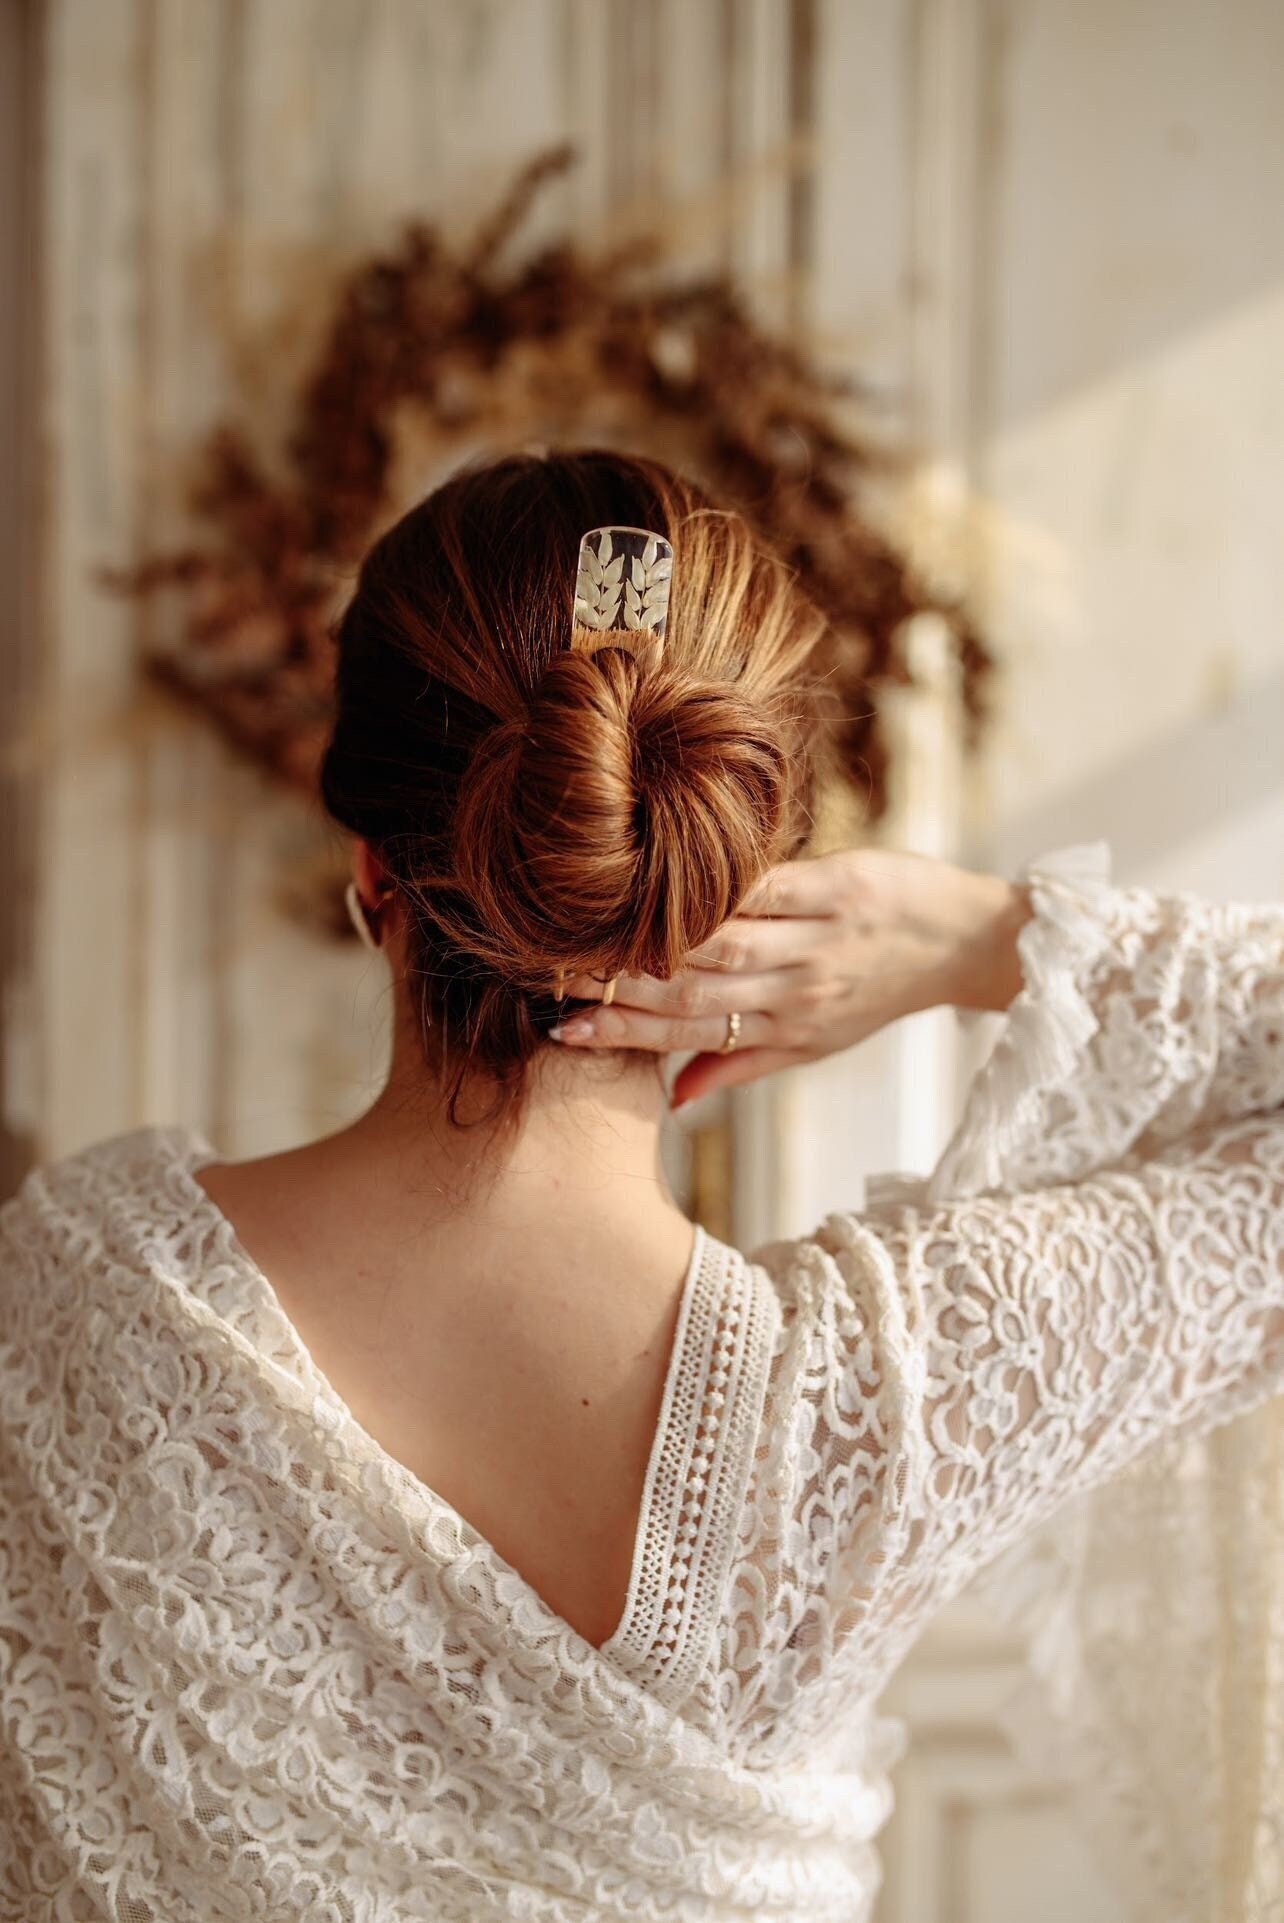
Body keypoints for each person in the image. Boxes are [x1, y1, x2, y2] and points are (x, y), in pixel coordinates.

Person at [0, 449, 1280, 1923]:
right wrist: (974, 936)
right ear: (749, 883)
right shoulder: (891, 1388)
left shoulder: (82, 1290)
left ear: (370, 872)